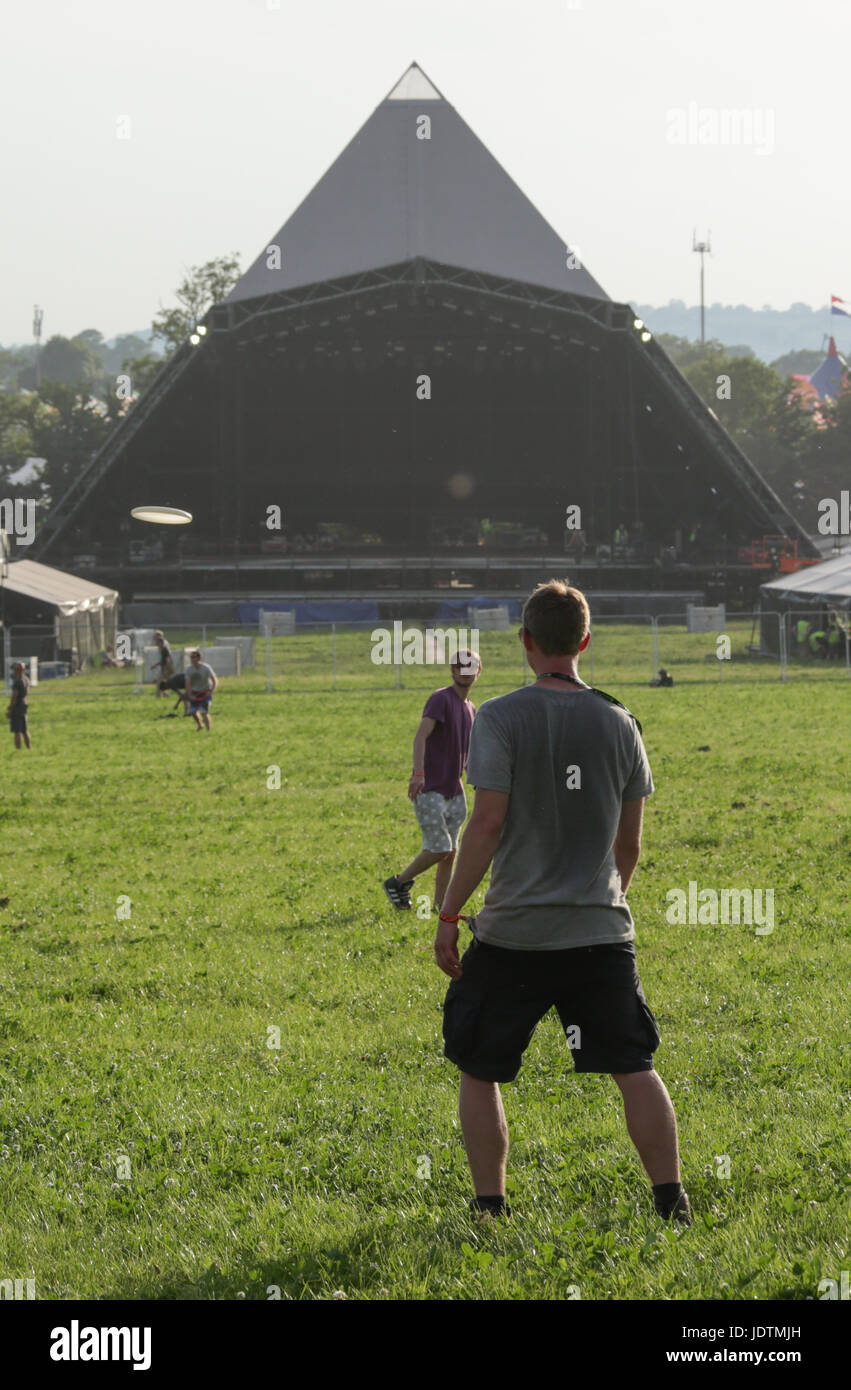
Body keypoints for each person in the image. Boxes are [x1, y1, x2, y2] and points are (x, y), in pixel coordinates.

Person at [434, 579, 691, 1226]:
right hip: (599, 931)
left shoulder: (498, 716)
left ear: (525, 643)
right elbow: (627, 847)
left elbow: (486, 823)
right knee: (633, 1065)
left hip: (512, 933)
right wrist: (600, 903)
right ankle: (671, 1201)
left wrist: (446, 915)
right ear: (583, 640)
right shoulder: (620, 721)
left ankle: (490, 1206)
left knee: (479, 1066)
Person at [383, 649, 481, 915]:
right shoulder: (441, 699)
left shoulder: (471, 709)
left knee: (450, 853)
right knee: (439, 848)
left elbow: (468, 753)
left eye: (471, 667)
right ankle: (398, 882)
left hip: (455, 791)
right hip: (431, 788)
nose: (465, 671)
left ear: (478, 672)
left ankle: (440, 907)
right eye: (460, 666)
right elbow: (421, 736)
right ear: (452, 670)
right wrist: (418, 773)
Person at [185, 649, 218, 731]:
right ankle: (200, 725)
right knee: (192, 711)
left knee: (204, 712)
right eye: (191, 657)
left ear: (199, 658)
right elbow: (188, 683)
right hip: (195, 692)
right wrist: (190, 695)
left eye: (194, 657)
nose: (192, 659)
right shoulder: (189, 669)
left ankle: (208, 730)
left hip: (205, 692)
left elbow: (214, 680)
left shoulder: (206, 668)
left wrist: (211, 692)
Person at [6, 661, 32, 750]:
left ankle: (18, 749)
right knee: (25, 730)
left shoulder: (17, 681)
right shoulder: (26, 679)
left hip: (17, 706)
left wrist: (10, 709)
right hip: (24, 705)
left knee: (17, 731)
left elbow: (15, 696)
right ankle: (29, 748)